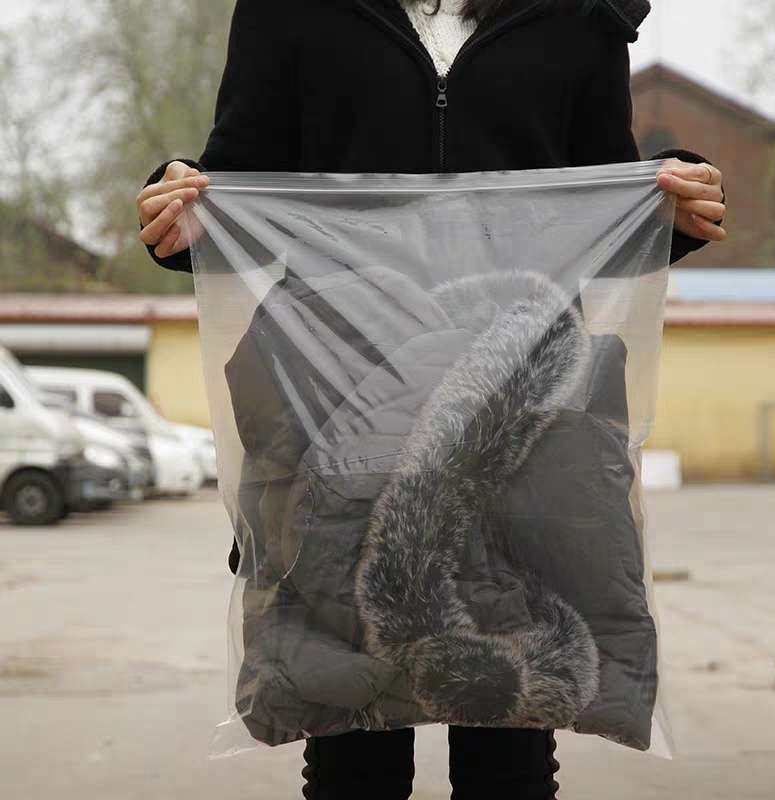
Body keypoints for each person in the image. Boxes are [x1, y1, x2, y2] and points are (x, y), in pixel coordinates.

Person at [136, 1, 727, 798]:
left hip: (520, 406)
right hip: (337, 406)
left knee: (513, 744)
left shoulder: (578, 15)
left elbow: (596, 202)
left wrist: (668, 206)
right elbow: (239, 184)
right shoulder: (287, 10)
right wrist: (181, 206)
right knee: (350, 739)